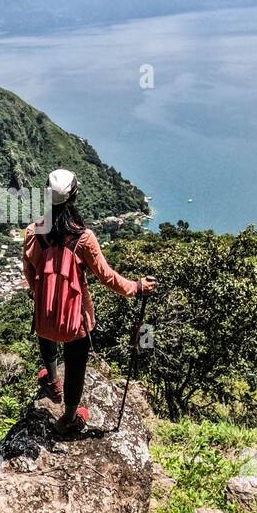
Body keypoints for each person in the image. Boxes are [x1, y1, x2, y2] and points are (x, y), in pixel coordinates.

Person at [23, 168, 156, 433]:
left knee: (46, 328)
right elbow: (107, 277)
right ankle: (70, 419)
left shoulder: (34, 232)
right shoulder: (84, 238)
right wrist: (137, 287)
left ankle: (52, 380)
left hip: (44, 315)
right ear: (75, 197)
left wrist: (44, 295)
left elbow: (30, 273)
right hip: (76, 318)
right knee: (76, 364)